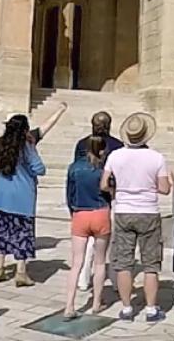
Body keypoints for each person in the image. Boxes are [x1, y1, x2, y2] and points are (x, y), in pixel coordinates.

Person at [102, 111, 171, 323]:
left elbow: (104, 184)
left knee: (124, 263)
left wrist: (118, 191)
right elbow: (165, 188)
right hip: (148, 211)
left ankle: (126, 308)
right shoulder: (156, 157)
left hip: (123, 210)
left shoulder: (115, 156)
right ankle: (150, 309)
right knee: (151, 264)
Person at [0, 114, 48, 287]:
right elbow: (39, 169)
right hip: (22, 197)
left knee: (1, 232)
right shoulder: (26, 146)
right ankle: (21, 272)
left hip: (1, 196)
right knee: (22, 234)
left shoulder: (0, 143)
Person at [63, 135, 113, 319]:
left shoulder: (74, 167)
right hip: (100, 212)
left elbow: (69, 194)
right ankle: (96, 303)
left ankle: (69, 305)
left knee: (76, 263)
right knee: (99, 262)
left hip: (80, 213)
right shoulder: (102, 169)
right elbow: (110, 192)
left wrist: (73, 212)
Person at [73, 112, 123, 291]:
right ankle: (115, 280)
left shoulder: (82, 144)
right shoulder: (117, 145)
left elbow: (77, 170)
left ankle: (83, 278)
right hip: (109, 195)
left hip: (87, 196)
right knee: (112, 240)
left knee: (88, 242)